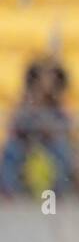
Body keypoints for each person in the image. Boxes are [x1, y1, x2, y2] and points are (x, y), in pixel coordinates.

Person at [0, 56, 74, 198]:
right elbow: (15, 123)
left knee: (64, 152)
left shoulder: (58, 101)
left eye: (50, 78)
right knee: (11, 150)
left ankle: (57, 195)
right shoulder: (26, 99)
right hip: (25, 142)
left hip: (50, 143)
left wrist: (49, 127)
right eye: (43, 77)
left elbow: (65, 126)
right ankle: (9, 193)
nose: (47, 82)